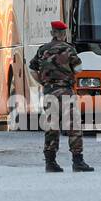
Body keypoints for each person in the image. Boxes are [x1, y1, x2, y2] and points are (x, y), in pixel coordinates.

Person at [28, 19, 93, 173]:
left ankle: (50, 163)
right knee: (73, 125)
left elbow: (32, 70)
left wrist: (44, 83)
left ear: (52, 33)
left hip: (49, 92)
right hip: (66, 91)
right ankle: (78, 161)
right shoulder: (69, 49)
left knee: (52, 126)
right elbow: (78, 69)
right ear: (64, 34)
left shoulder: (42, 50)